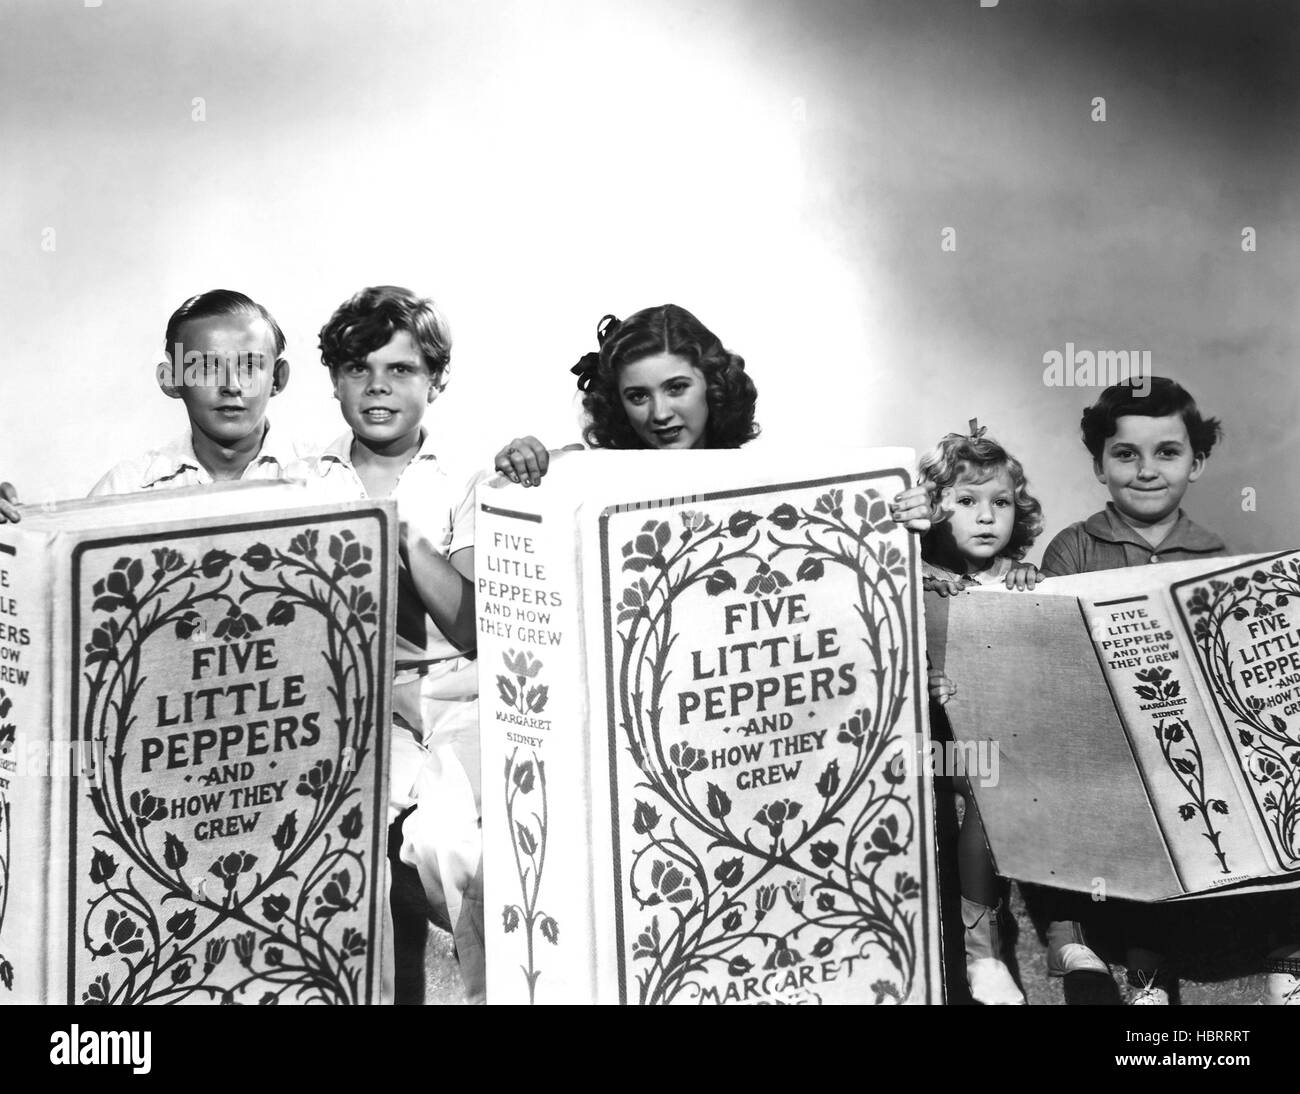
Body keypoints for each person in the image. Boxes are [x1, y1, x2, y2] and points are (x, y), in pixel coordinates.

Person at [1034, 376, 1247, 1005]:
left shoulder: (1215, 554)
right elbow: (1048, 651)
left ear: (1197, 462)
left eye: (1167, 452)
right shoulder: (1074, 547)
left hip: (1184, 740)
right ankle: (1108, 955)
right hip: (1098, 738)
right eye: (1126, 454)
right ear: (1100, 465)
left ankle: (1193, 964)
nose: (1146, 470)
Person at [303, 285, 484, 1004]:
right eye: (358, 368)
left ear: (434, 381)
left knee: (453, 841)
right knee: (332, 845)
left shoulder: (469, 476)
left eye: (402, 370)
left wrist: (403, 535)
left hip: (457, 691)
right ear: (335, 381)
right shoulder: (302, 479)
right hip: (354, 700)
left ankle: (489, 994)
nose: (378, 386)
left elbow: (470, 625)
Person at [492, 303, 936, 530]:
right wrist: (528, 464)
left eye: (677, 387)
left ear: (712, 385)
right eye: (638, 396)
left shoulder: (763, 479)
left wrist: (900, 510)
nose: (661, 413)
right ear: (617, 404)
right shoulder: (586, 476)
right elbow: (546, 490)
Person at [920, 424, 1042, 1004]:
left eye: (1001, 503)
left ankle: (985, 951)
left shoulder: (1021, 580)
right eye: (967, 502)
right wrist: (925, 681)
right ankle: (979, 951)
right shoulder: (910, 581)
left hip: (1003, 736)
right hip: (927, 741)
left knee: (991, 779)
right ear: (935, 511)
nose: (987, 517)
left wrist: (1031, 590)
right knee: (981, 775)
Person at [0, 289, 309, 517]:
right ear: (171, 380)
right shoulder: (127, 488)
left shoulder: (325, 479)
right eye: (206, 367)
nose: (232, 385)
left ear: (278, 378)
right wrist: (13, 533)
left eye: (250, 366)